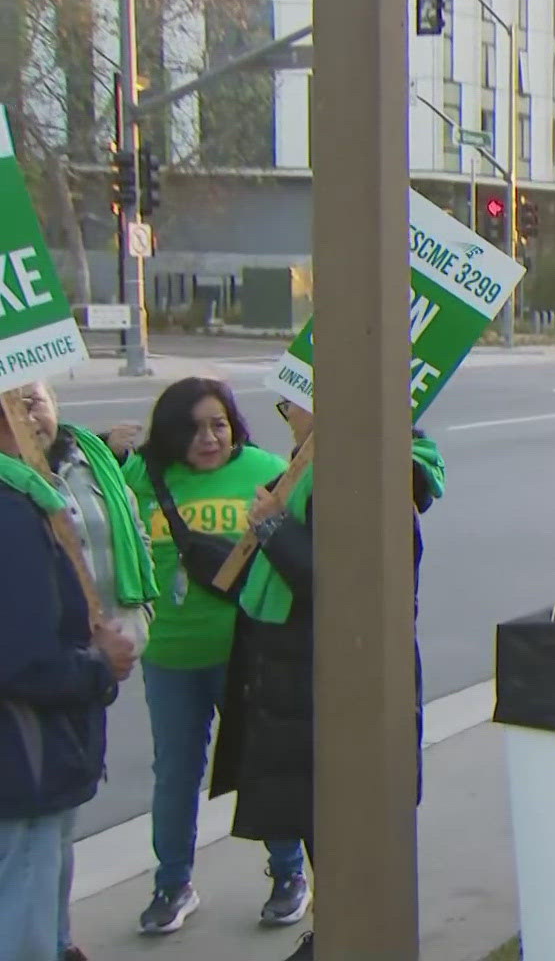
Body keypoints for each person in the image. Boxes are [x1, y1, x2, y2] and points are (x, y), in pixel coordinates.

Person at [221, 399, 444, 961]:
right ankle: (335, 931)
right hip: (302, 678)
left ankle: (348, 935)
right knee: (326, 821)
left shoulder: (362, 473)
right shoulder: (316, 468)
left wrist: (271, 524)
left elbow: (341, 584)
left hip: (334, 679)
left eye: (291, 401)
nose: (286, 414)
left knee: (349, 823)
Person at [126, 377, 307, 935]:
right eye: (194, 428)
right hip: (171, 657)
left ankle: (288, 874)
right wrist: (107, 445)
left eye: (219, 425)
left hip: (249, 654)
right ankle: (172, 884)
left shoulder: (265, 470)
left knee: (265, 765)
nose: (209, 438)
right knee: (175, 774)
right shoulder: (141, 475)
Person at [13, 386, 157, 961]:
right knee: (28, 846)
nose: (30, 414)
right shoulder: (12, 502)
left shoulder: (85, 460)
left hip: (84, 673)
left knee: (57, 830)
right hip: (38, 704)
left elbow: (130, 531)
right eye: (14, 403)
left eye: (37, 399)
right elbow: (20, 656)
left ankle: (58, 937)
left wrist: (134, 618)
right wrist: (94, 666)